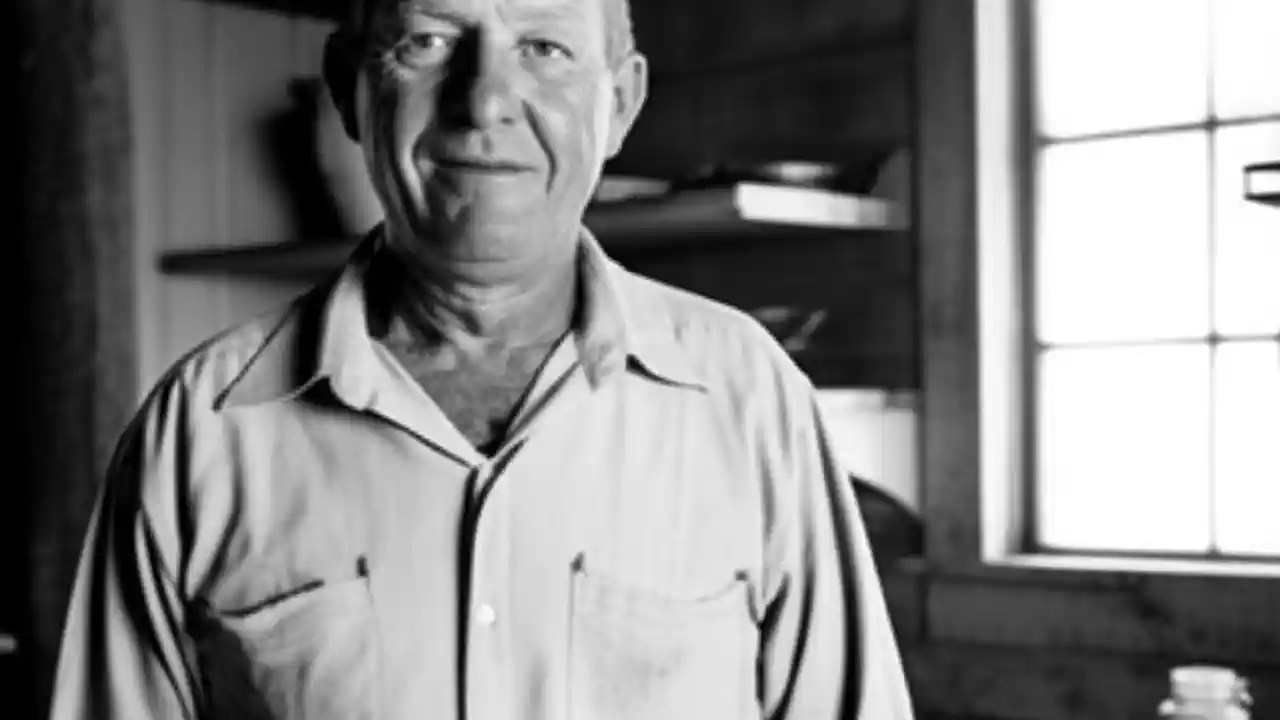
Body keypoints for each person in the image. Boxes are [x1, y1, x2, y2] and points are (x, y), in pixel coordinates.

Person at [49, 0, 914, 717]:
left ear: (621, 102)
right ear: (351, 91)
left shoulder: (748, 396)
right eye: (428, 42)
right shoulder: (201, 429)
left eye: (544, 47)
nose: (485, 100)